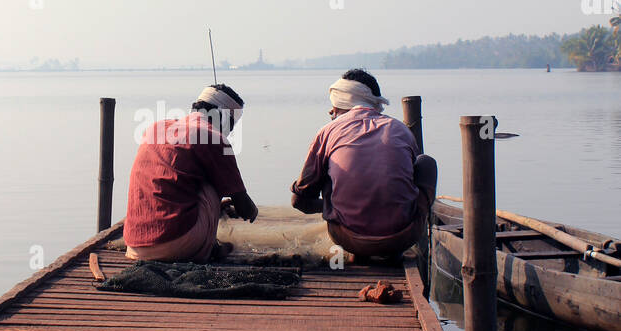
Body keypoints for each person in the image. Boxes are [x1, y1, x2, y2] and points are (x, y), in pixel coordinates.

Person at [290, 69, 437, 260]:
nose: (331, 112)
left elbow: (299, 201)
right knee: (426, 162)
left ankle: (358, 249)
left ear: (340, 104)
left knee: (329, 169)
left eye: (333, 107)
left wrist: (329, 203)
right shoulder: (400, 129)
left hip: (346, 237)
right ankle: (393, 249)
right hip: (404, 236)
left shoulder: (327, 131)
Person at [124, 83, 258, 263]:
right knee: (214, 178)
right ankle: (211, 247)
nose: (230, 132)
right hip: (176, 245)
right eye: (231, 126)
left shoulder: (155, 128)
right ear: (224, 119)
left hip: (135, 245)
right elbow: (246, 209)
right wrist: (251, 210)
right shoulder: (212, 137)